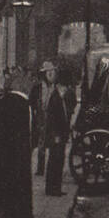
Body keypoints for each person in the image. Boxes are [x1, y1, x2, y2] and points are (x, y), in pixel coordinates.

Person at [0, 70, 34, 218]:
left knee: (3, 183)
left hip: (4, 151)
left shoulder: (1, 101)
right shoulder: (24, 104)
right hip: (20, 152)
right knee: (20, 183)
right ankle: (21, 216)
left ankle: (3, 215)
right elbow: (28, 130)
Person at [45, 64, 77, 196]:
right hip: (56, 133)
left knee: (58, 160)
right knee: (55, 160)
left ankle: (55, 187)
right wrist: (55, 134)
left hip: (60, 133)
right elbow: (53, 117)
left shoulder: (58, 95)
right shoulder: (56, 96)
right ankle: (52, 188)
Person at [32, 60, 58, 176]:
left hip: (52, 118)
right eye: (48, 73)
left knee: (52, 143)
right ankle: (40, 169)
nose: (50, 75)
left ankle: (51, 170)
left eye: (51, 72)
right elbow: (31, 102)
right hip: (41, 118)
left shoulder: (56, 88)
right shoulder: (37, 87)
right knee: (41, 143)